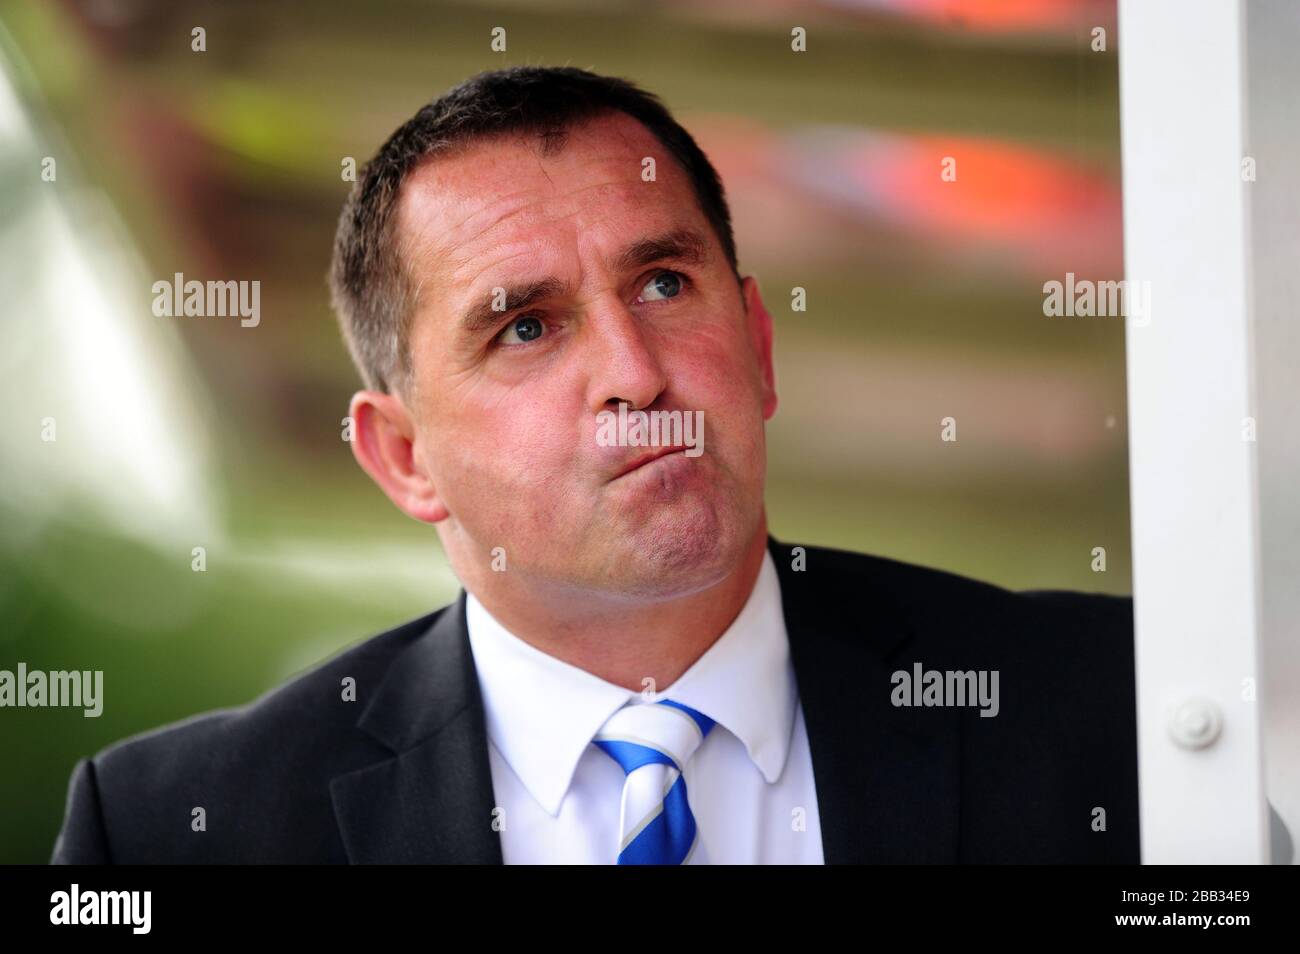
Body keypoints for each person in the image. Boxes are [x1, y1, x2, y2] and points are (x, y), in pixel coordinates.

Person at [51, 66, 1138, 865]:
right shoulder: (171, 833)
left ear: (756, 348)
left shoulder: (1098, 705)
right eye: (525, 327)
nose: (635, 374)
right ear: (403, 456)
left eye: (664, 284)